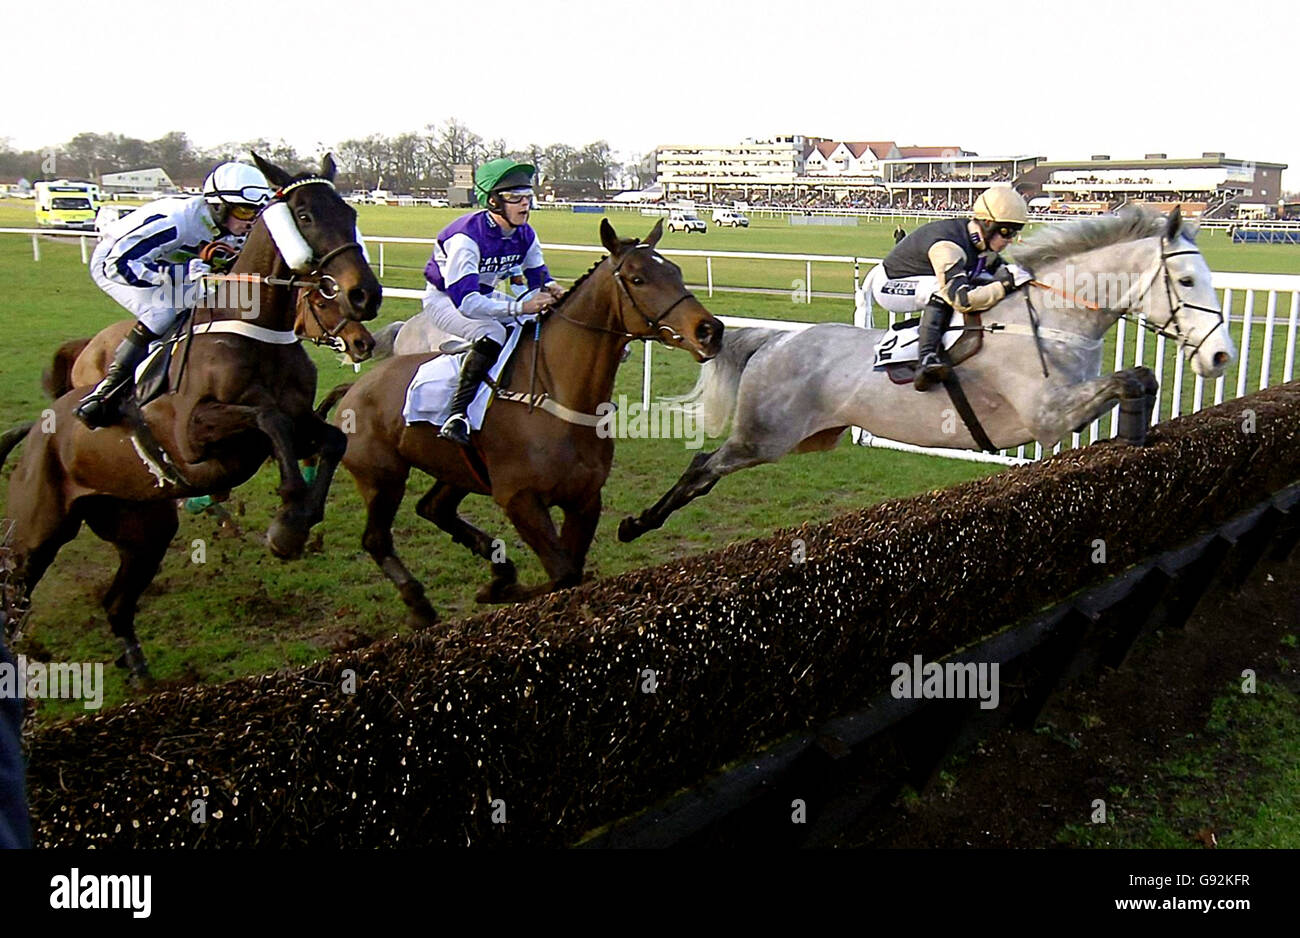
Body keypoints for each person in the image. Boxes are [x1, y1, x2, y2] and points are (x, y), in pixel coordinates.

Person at [74, 162, 273, 428]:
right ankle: (107, 391)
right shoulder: (177, 223)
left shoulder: (233, 225)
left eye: (257, 212)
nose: (251, 220)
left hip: (165, 263)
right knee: (163, 310)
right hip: (117, 263)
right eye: (244, 210)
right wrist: (180, 274)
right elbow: (119, 266)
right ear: (218, 206)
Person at [421, 159, 565, 446]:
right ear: (493, 202)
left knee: (534, 321)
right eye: (515, 198)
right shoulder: (467, 237)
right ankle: (457, 414)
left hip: (482, 295)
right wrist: (519, 307)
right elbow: (467, 303)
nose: (525, 205)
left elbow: (538, 277)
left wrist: (553, 290)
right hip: (447, 300)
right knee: (494, 332)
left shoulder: (524, 232)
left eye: (528, 197)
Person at [876, 186, 1031, 391]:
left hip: (920, 275)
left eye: (1015, 232)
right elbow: (962, 300)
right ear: (987, 224)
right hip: (891, 284)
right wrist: (1003, 286)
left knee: (984, 282)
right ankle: (927, 358)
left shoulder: (981, 241)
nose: (1010, 239)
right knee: (943, 292)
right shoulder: (948, 247)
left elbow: (1001, 272)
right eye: (1006, 231)